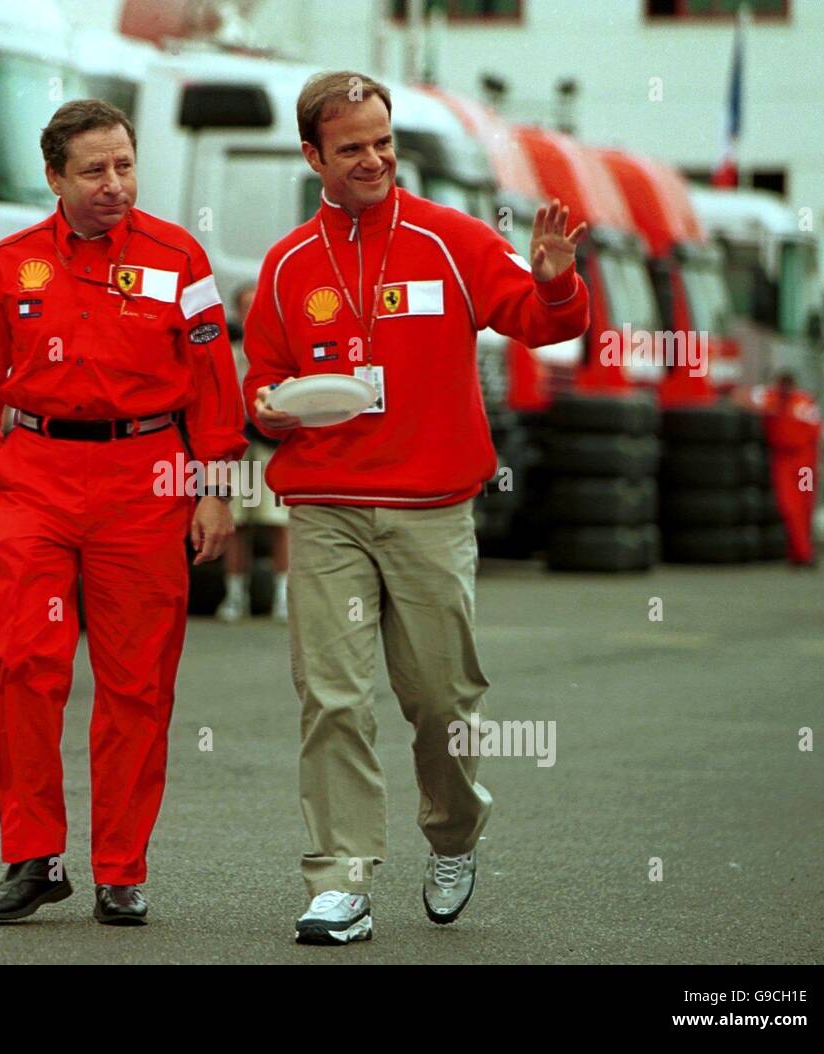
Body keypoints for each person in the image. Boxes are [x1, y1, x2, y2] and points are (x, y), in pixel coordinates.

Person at [244, 71, 590, 945]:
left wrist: (554, 283)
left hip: (432, 505)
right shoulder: (286, 265)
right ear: (312, 155)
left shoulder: (451, 239)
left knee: (441, 697)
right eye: (352, 146)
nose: (374, 158)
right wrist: (270, 407)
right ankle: (341, 880)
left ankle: (454, 832)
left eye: (383, 140)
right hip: (324, 505)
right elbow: (259, 385)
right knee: (331, 697)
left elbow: (543, 324)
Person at [0, 99, 245, 926]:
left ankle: (121, 867)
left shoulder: (178, 257)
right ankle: (32, 856)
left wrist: (216, 491)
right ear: (54, 177)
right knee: (15, 664)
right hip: (35, 474)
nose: (114, 184)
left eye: (124, 166)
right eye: (93, 170)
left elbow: (217, 384)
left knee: (138, 681)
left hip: (146, 477)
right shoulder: (8, 266)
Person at [217, 284, 291, 623]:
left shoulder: (278, 349)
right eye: (244, 306)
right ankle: (235, 596)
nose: (249, 313)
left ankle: (283, 596)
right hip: (237, 447)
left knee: (278, 523)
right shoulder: (227, 351)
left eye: (254, 306)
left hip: (270, 445)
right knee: (237, 523)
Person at [757, 371, 823, 566]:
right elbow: (743, 399)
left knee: (805, 505)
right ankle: (803, 553)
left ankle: (801, 551)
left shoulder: (804, 402)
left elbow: (817, 431)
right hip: (782, 459)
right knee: (788, 506)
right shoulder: (770, 399)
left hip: (805, 460)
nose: (785, 388)